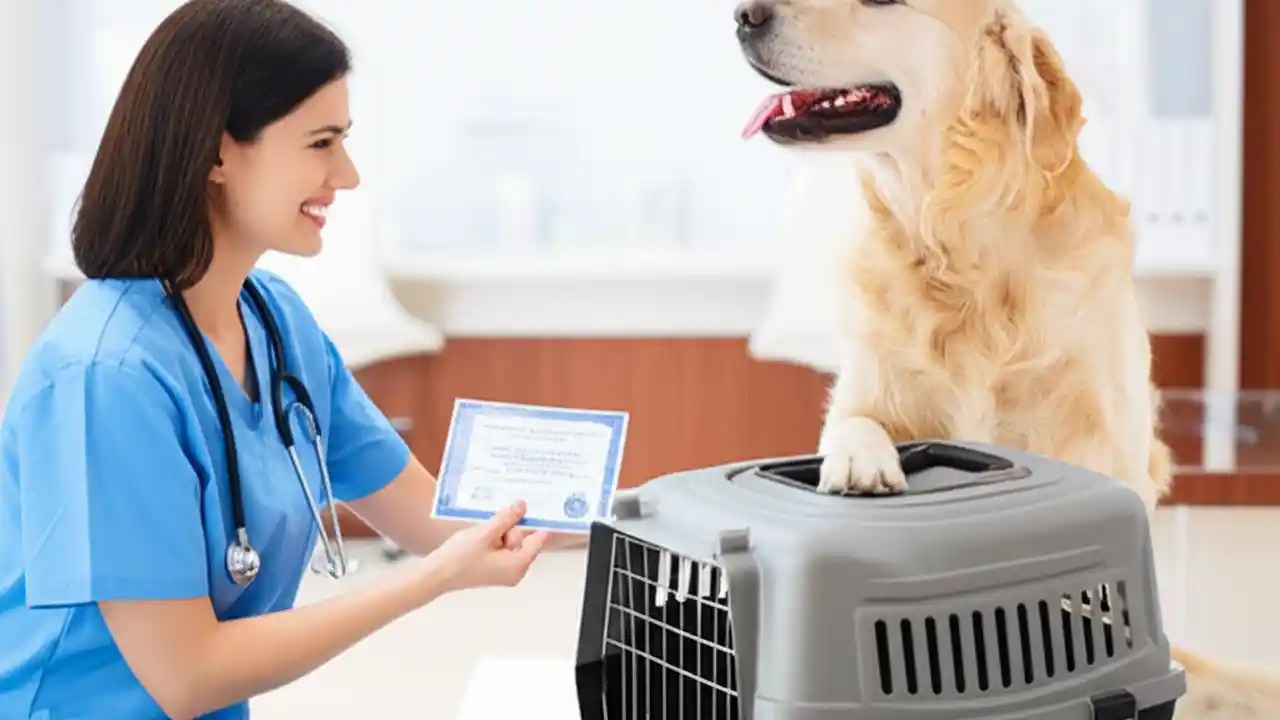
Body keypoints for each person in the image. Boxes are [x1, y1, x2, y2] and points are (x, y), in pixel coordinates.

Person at [0, 1, 569, 717]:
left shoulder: (275, 322)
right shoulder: (104, 377)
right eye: (321, 142)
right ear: (215, 152)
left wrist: (587, 498)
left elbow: (427, 514)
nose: (349, 174)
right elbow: (187, 676)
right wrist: (430, 582)